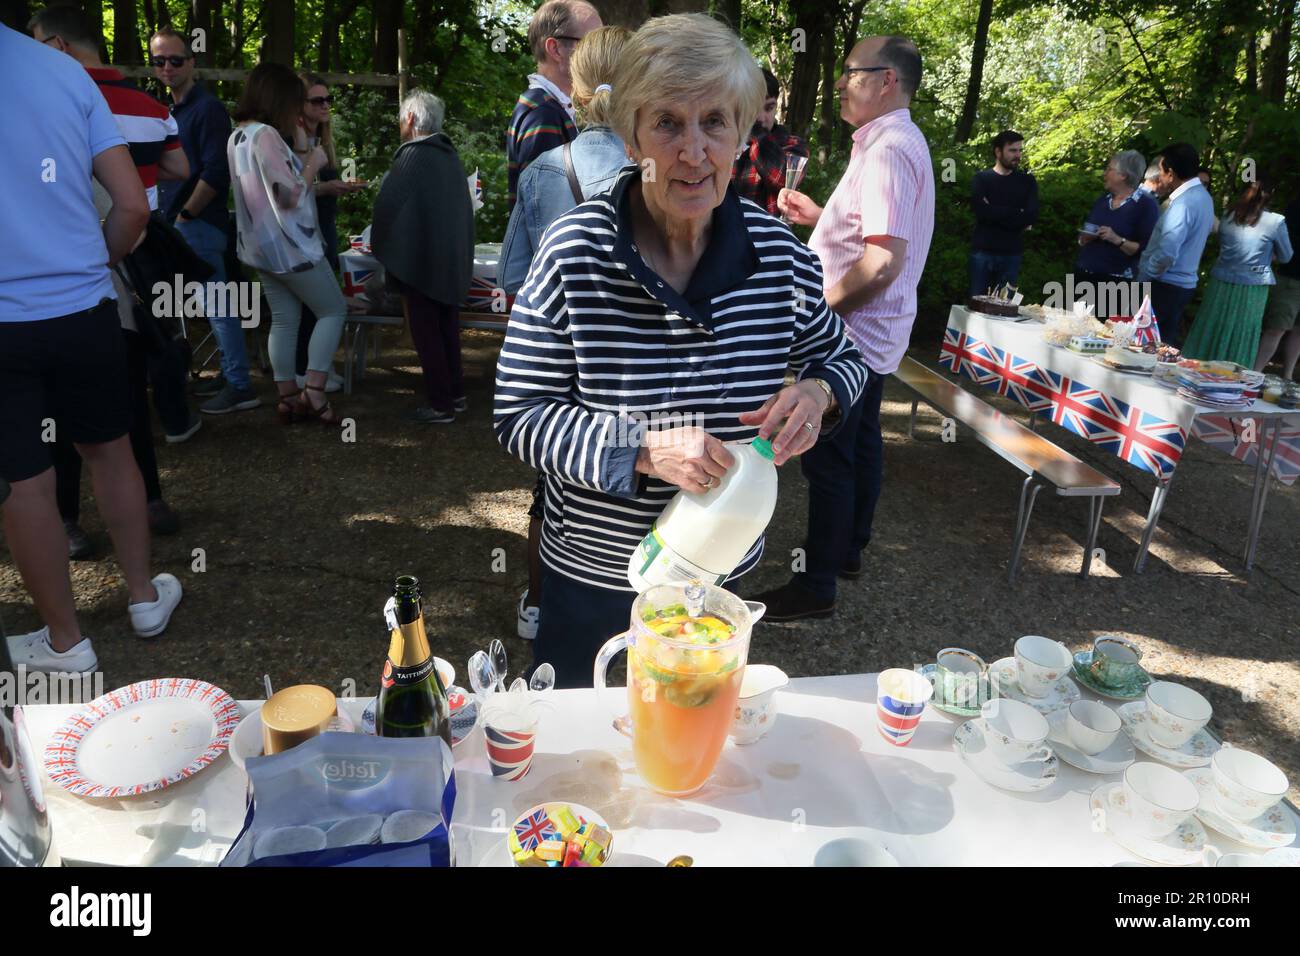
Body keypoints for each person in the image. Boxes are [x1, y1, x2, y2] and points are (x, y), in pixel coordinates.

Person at [493, 14, 867, 687]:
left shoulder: (779, 257)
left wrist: (819, 394)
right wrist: (640, 450)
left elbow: (843, 358)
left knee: (696, 758)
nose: (693, 151)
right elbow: (520, 412)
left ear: (743, 131)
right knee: (584, 764)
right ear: (632, 132)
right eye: (667, 123)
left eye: (715, 122)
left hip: (717, 580)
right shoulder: (576, 252)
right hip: (593, 577)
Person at [1, 23, 183, 675]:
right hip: (85, 306)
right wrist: (89, 264)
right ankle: (142, 600)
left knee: (24, 479)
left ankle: (64, 642)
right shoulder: (64, 72)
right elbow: (132, 207)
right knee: (111, 450)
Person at [757, 35, 934, 620]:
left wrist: (818, 315)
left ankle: (816, 586)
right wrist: (820, 217)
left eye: (851, 72)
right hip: (873, 335)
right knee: (858, 447)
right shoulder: (892, 141)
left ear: (886, 80)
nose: (838, 82)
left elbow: (882, 260)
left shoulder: (888, 147)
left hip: (851, 335)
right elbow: (872, 234)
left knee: (827, 460)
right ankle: (849, 550)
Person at [28, 4, 192, 553]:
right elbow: (179, 170)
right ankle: (150, 499)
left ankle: (68, 520)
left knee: (55, 402)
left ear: (56, 45)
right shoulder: (148, 105)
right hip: (134, 261)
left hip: (67, 266)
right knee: (127, 391)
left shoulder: (45, 102)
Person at [499, 24, 633, 642]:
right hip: (637, 372)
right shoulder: (671, 171)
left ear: (575, 88)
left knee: (553, 495)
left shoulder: (543, 170)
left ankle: (539, 604)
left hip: (562, 370)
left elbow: (512, 276)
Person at [228, 62, 347, 426]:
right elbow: (290, 194)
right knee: (333, 310)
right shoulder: (265, 135)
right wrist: (315, 161)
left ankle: (287, 398)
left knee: (284, 319)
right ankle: (314, 388)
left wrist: (300, 150)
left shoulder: (238, 135)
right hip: (292, 248)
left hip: (260, 250)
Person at [151, 27, 260, 416]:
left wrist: (186, 214)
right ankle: (231, 374)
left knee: (218, 304)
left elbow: (216, 171)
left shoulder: (208, 109)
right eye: (159, 60)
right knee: (203, 304)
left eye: (175, 60)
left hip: (197, 223)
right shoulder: (169, 111)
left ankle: (240, 384)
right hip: (175, 223)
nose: (167, 67)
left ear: (192, 62)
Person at [371, 91, 475, 425]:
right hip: (449, 260)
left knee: (426, 333)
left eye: (402, 118)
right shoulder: (449, 157)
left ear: (411, 120)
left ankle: (440, 404)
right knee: (447, 330)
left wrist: (384, 245)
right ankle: (455, 395)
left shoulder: (411, 158)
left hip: (419, 264)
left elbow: (387, 210)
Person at [292, 72, 362, 393]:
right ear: (299, 104)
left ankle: (316, 367)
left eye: (327, 99)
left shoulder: (324, 139)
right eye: (316, 100)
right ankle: (305, 371)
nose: (324, 106)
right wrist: (324, 188)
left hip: (325, 226)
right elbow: (289, 191)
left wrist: (336, 188)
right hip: (304, 232)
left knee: (318, 304)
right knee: (316, 305)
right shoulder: (293, 140)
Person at [1182, 175, 1293, 366]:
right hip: (1252, 286)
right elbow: (1286, 256)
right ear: (1270, 195)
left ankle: (1194, 367)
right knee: (1241, 332)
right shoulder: (1275, 222)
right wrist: (1269, 255)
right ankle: (1230, 378)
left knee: (1211, 326)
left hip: (1221, 282)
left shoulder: (1228, 215)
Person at [506, 0, 603, 208]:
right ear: (555, 49)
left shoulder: (549, 107)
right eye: (592, 43)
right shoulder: (543, 114)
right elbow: (544, 214)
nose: (600, 53)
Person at [1136, 143, 1215, 345]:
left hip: (1164, 285)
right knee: (1161, 346)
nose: (1160, 177)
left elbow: (1167, 252)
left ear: (1170, 173)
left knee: (1140, 346)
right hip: (1181, 285)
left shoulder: (1184, 203)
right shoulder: (1205, 197)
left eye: (1161, 171)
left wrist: (1145, 277)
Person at [1074, 149, 1160, 315]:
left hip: (1117, 283)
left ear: (1123, 175)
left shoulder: (1145, 205)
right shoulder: (1103, 200)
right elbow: (1086, 231)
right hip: (1084, 275)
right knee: (1073, 329)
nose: (1105, 173)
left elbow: (1145, 249)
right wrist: (1084, 238)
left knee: (1105, 335)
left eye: (1109, 169)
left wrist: (1117, 239)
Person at [732, 68, 809, 216]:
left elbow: (784, 180)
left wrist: (757, 134)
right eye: (753, 108)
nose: (761, 117)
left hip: (767, 237)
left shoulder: (792, 144)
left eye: (769, 108)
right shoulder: (723, 141)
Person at [968, 129, 1037, 295]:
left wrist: (994, 211)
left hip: (1011, 254)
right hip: (982, 253)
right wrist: (1015, 213)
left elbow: (1031, 215)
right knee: (977, 305)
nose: (1018, 155)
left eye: (1020, 150)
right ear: (998, 152)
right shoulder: (981, 179)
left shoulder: (1027, 181)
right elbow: (982, 213)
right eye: (1012, 150)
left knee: (1003, 309)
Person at [1256, 196, 1300, 377]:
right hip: (1291, 278)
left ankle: (1288, 376)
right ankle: (1254, 373)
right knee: (1276, 328)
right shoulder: (1296, 207)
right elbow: (1282, 244)